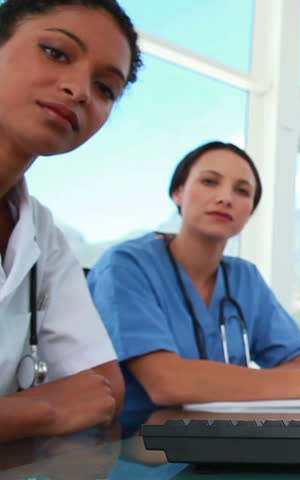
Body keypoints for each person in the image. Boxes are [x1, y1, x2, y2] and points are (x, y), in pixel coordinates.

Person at [87, 141, 300, 429]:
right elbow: (167, 383)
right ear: (178, 192)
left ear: (250, 212)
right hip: (132, 450)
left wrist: (214, 383)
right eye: (209, 182)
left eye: (242, 191)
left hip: (218, 442)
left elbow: (297, 367)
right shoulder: (126, 265)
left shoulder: (245, 278)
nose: (225, 198)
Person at [0, 0, 143, 442]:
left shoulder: (42, 233)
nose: (80, 90)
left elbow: (103, 392)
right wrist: (38, 413)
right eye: (57, 52)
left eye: (104, 88)